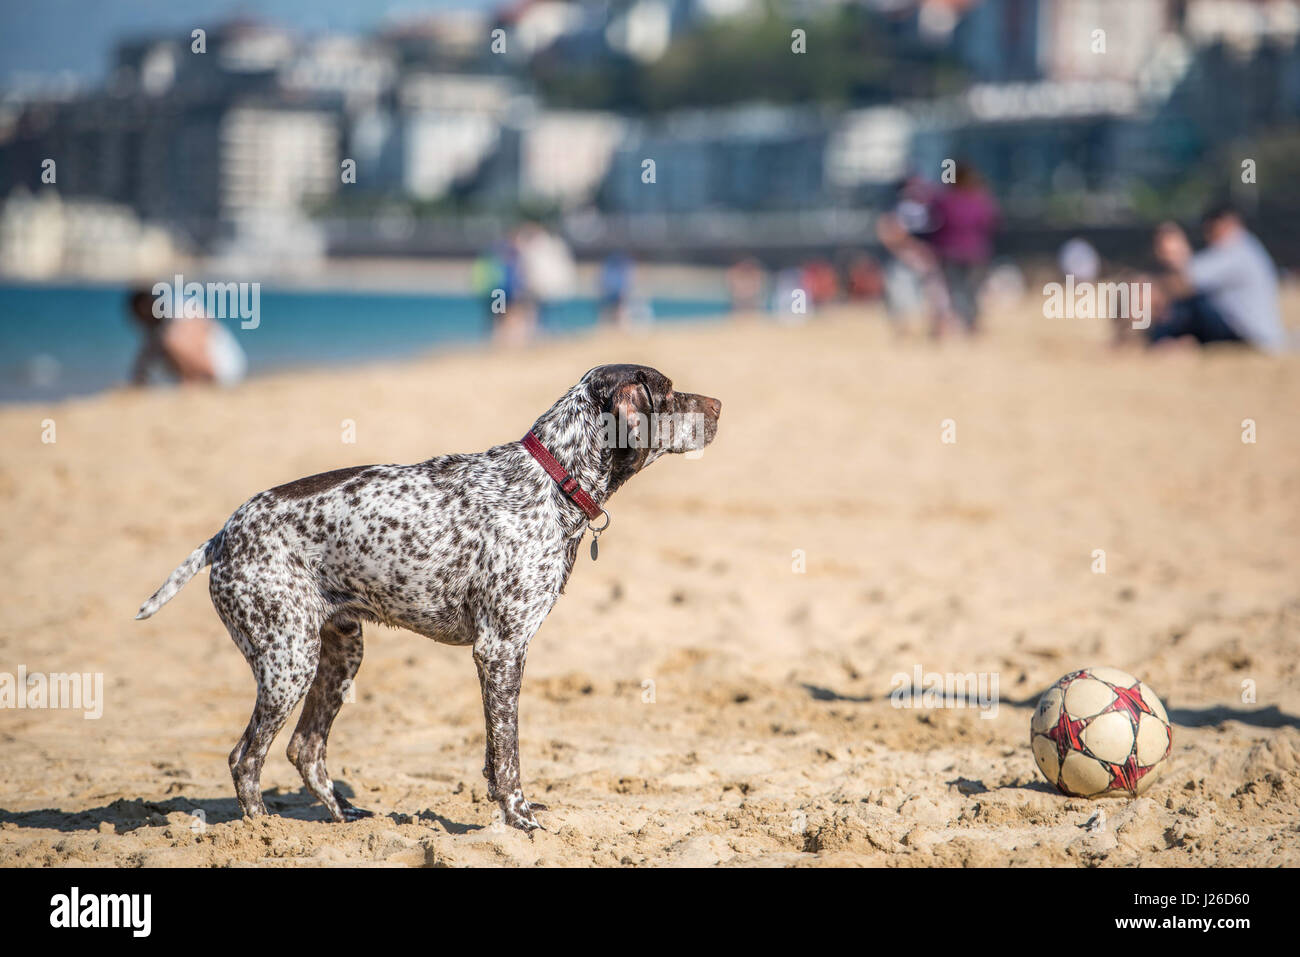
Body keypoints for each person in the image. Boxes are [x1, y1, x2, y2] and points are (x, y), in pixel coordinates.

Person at [1147, 204, 1286, 352]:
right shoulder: (1247, 246)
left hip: (1246, 331)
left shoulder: (1234, 249)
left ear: (1222, 225)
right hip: (1251, 330)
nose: (1206, 236)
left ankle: (1169, 340)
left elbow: (1186, 280)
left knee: (1194, 303)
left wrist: (1177, 257)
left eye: (1209, 230)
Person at [925, 163, 1000, 335]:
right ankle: (970, 324)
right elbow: (990, 224)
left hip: (949, 252)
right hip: (976, 252)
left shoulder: (944, 200)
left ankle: (959, 323)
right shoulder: (981, 200)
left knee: (955, 290)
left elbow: (933, 223)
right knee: (972, 291)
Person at [127, 288, 247, 387]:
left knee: (170, 341)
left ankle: (195, 381)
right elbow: (146, 355)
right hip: (220, 368)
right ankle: (195, 381)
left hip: (225, 368)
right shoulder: (161, 323)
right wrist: (137, 381)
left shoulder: (178, 308)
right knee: (163, 343)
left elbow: (201, 339)